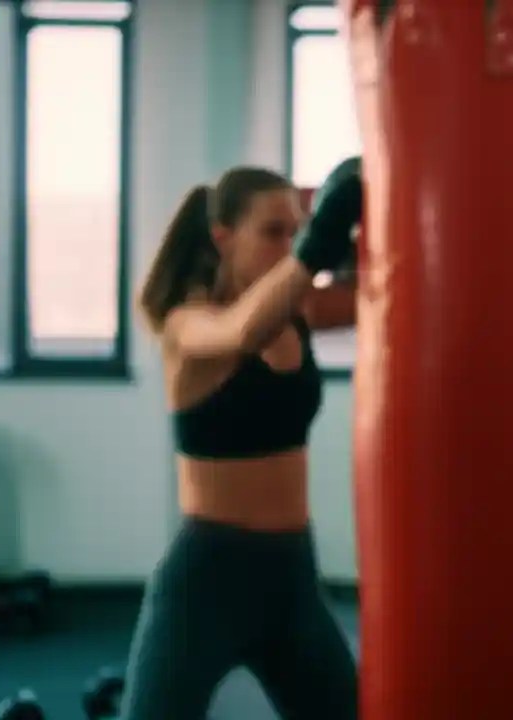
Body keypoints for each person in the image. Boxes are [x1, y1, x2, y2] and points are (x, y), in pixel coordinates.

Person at [123, 159, 363, 719]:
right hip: (208, 578)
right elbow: (243, 330)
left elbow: (383, 294)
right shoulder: (190, 323)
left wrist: (361, 230)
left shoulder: (297, 309)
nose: (287, 245)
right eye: (273, 232)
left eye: (294, 230)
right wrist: (318, 240)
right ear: (222, 237)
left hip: (292, 576)